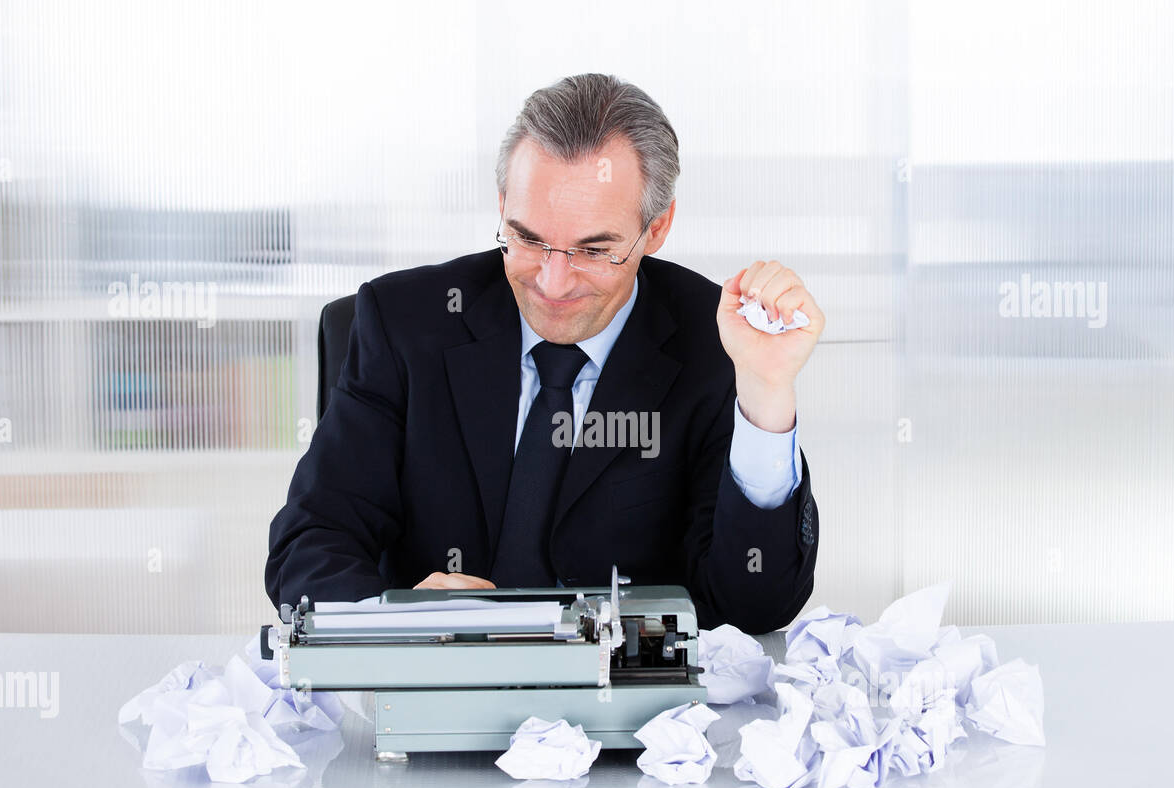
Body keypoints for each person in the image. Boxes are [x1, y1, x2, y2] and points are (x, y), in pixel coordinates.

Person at [265, 73, 825, 634]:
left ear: (656, 229)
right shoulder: (404, 322)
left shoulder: (716, 344)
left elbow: (755, 605)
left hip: (631, 712)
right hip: (435, 691)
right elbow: (312, 542)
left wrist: (765, 396)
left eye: (593, 249)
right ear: (503, 205)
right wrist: (395, 625)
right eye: (528, 239)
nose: (553, 284)